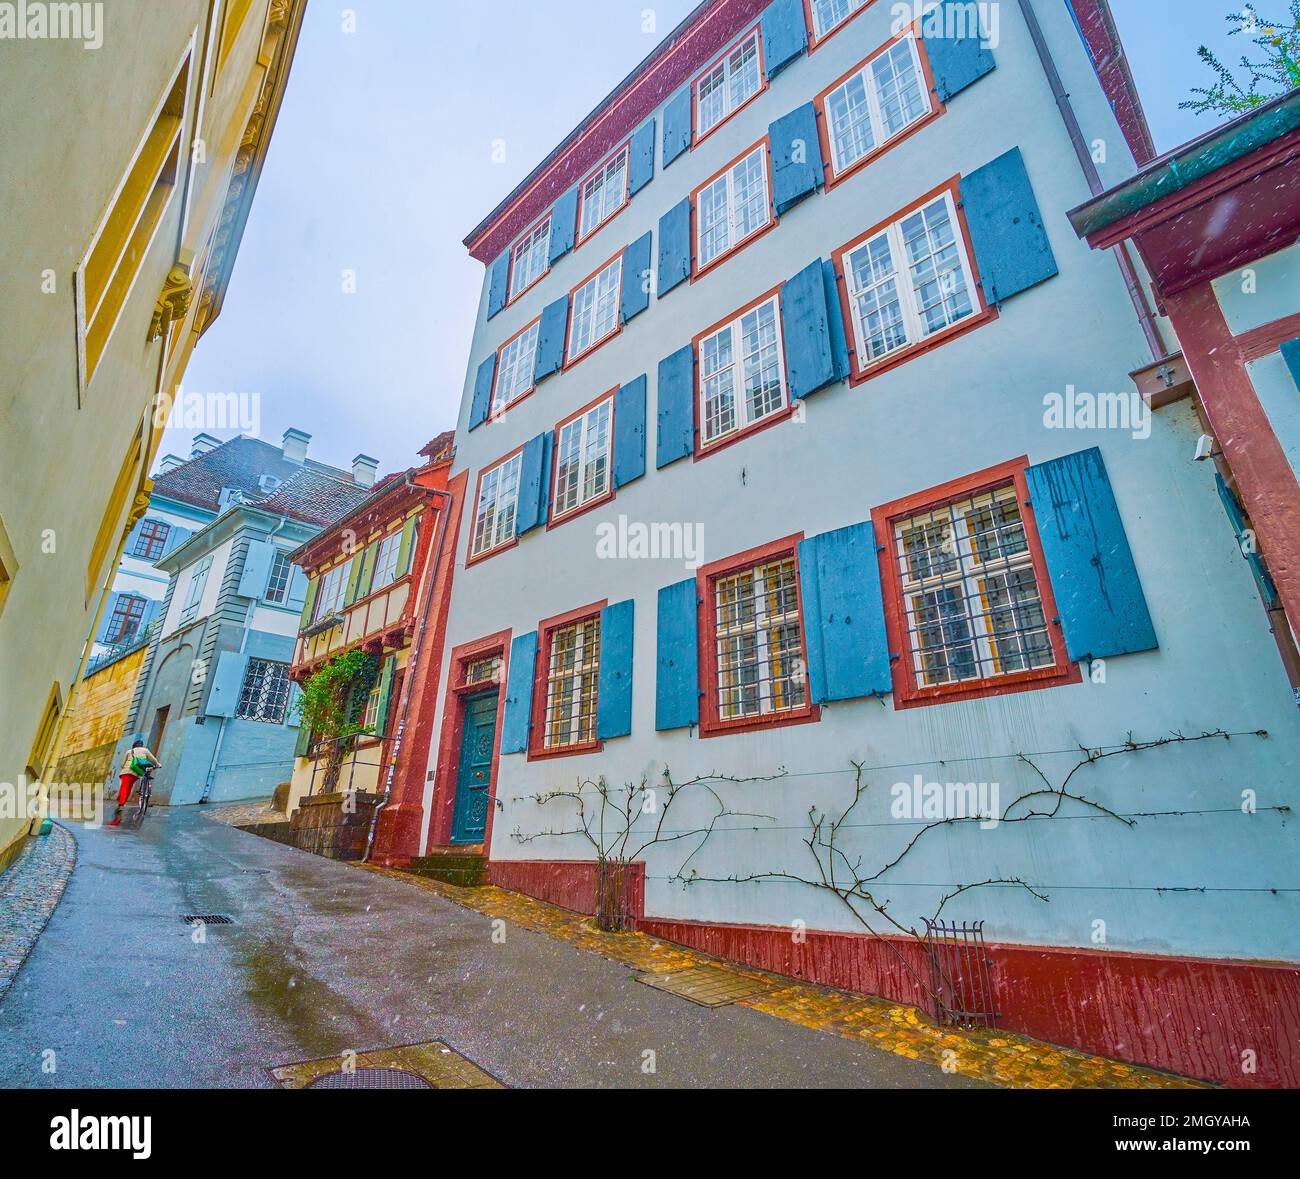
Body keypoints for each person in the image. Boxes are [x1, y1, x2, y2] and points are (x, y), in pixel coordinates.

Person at [113, 736, 159, 822]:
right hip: (136, 773)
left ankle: (121, 805)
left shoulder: (129, 751)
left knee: (124, 788)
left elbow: (122, 764)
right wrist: (158, 764)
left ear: (134, 746)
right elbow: (153, 760)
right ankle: (122, 803)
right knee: (128, 789)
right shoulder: (145, 750)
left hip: (126, 772)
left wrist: (125, 766)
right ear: (141, 746)